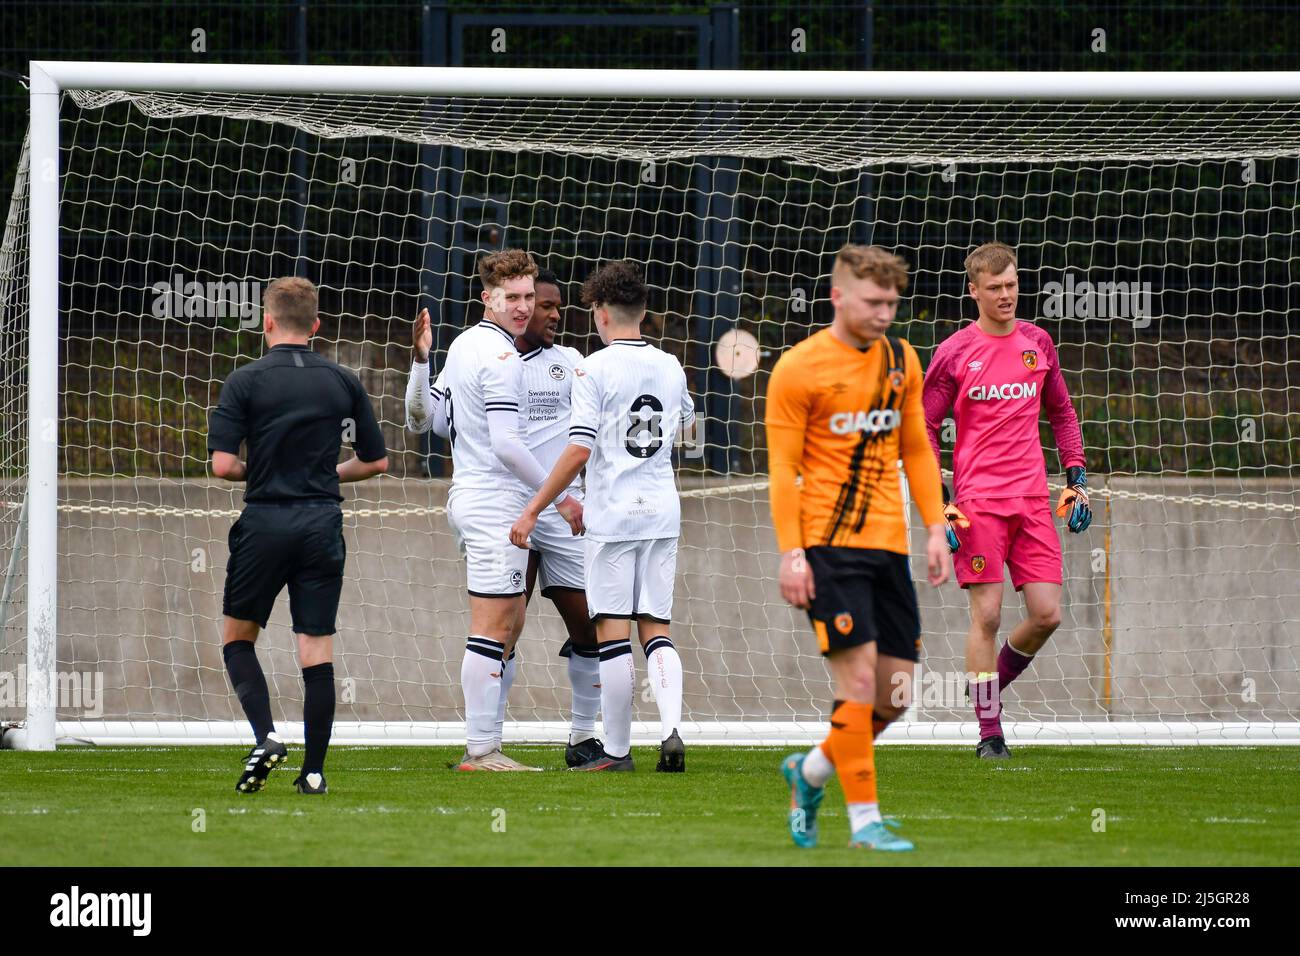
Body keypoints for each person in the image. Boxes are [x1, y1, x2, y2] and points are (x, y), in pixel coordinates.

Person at [765, 245, 949, 851]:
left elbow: (916, 448)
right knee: (861, 683)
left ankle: (810, 771)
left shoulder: (902, 358)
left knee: (897, 692)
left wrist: (933, 527)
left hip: (888, 546)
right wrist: (792, 553)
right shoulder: (799, 368)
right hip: (826, 546)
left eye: (892, 303)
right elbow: (784, 471)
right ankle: (865, 823)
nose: (885, 313)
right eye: (874, 302)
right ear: (838, 296)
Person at [510, 260, 692, 773]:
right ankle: (672, 730)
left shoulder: (592, 369)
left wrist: (536, 505)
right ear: (642, 311)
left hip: (612, 515)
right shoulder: (672, 366)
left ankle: (615, 752)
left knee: (612, 630)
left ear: (602, 312)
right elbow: (685, 423)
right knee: (656, 625)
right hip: (662, 510)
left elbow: (578, 450)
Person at [208, 276, 388, 795]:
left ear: (266, 321)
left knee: (238, 640)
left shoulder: (245, 381)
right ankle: (313, 773)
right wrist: (325, 475)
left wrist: (262, 470)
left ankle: (265, 736)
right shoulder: (342, 381)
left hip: (265, 521)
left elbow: (223, 466)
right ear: (316, 325)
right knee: (316, 646)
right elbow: (375, 460)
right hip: (320, 524)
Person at [922, 241, 1091, 760]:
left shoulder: (1038, 342)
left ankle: (983, 692)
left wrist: (1076, 475)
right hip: (977, 504)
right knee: (989, 614)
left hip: (1033, 501)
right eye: (994, 288)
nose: (1005, 295)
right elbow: (923, 426)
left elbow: (1061, 412)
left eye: (1012, 285)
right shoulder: (953, 353)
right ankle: (990, 731)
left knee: (1046, 614)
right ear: (973, 291)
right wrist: (938, 502)